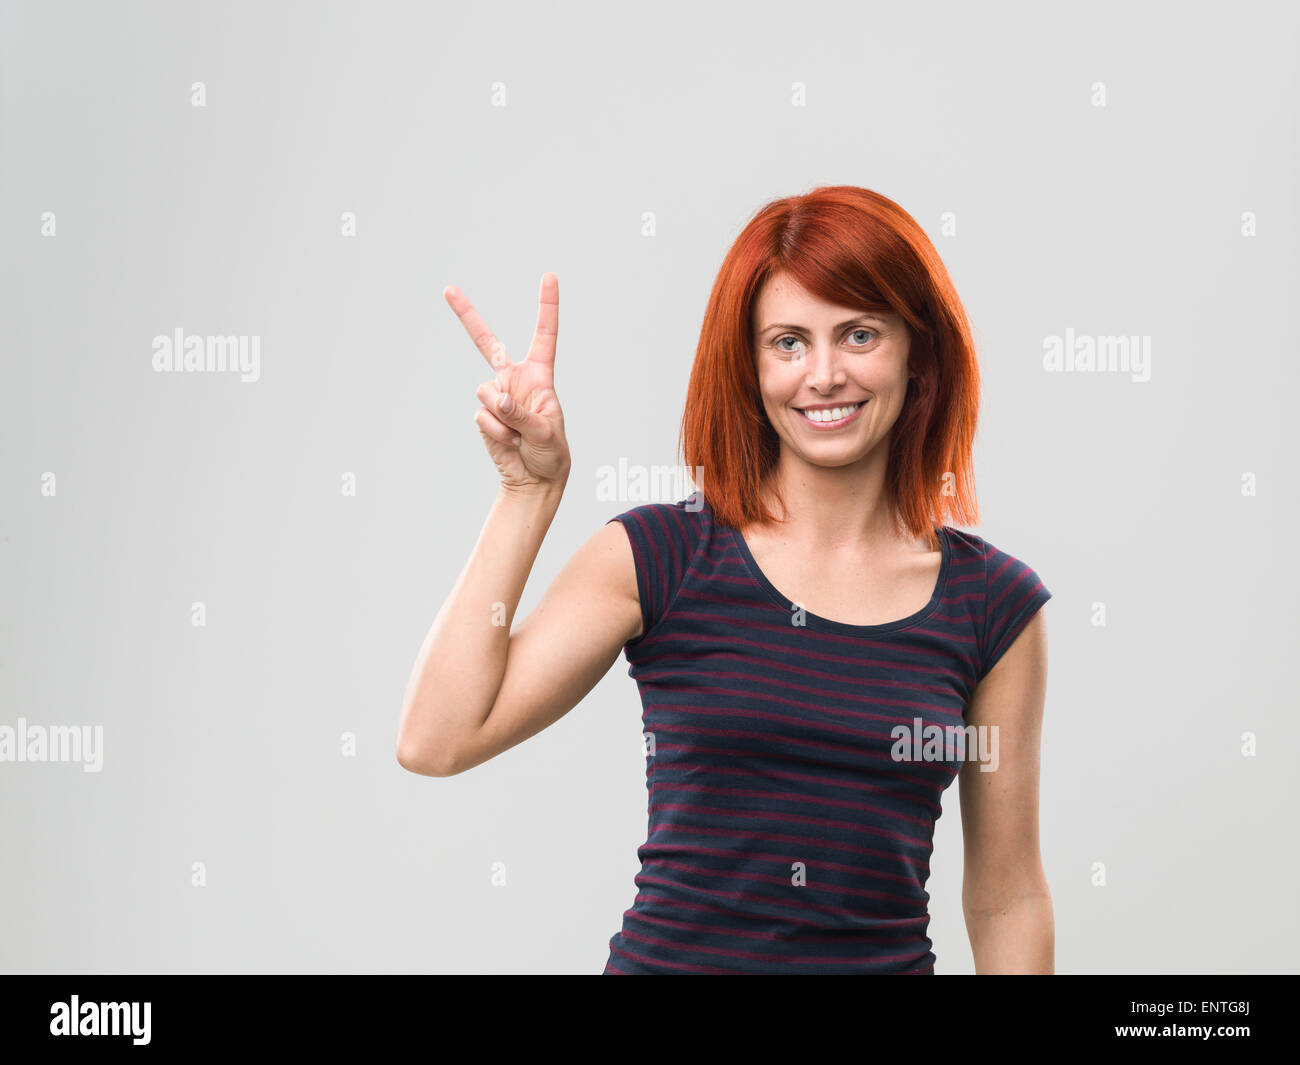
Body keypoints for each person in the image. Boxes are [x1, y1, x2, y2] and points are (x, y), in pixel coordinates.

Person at [396, 185, 1054, 975]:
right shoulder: (661, 556)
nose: (824, 373)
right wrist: (527, 492)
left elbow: (1006, 895)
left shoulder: (994, 607)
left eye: (859, 333)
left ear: (917, 352)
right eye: (787, 341)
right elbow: (436, 738)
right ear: (748, 362)